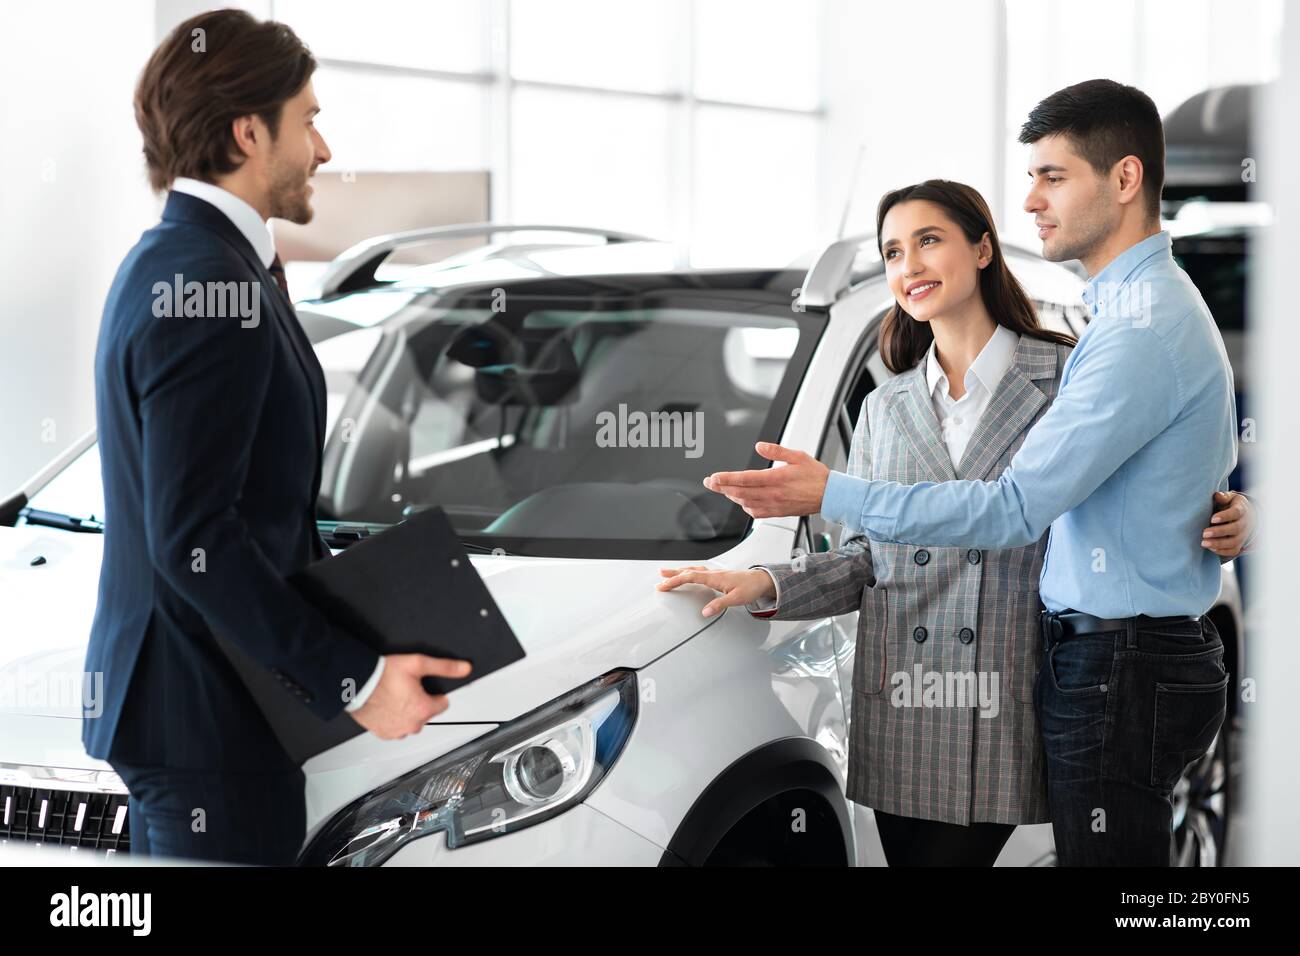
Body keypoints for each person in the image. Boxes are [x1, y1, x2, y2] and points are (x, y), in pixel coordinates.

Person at [698, 79, 1256, 866]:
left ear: (980, 249)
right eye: (893, 251)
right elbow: (871, 554)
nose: (1031, 198)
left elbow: (1016, 508)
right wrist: (773, 583)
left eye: (1052, 176)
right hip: (915, 714)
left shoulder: (1083, 357)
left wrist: (828, 488)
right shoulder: (888, 407)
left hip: (1040, 693)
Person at [84, 9, 469, 865]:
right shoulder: (207, 283)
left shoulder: (188, 262)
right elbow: (195, 540)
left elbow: (234, 501)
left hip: (200, 709)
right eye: (310, 121)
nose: (323, 151)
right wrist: (357, 681)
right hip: (207, 719)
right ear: (248, 131)